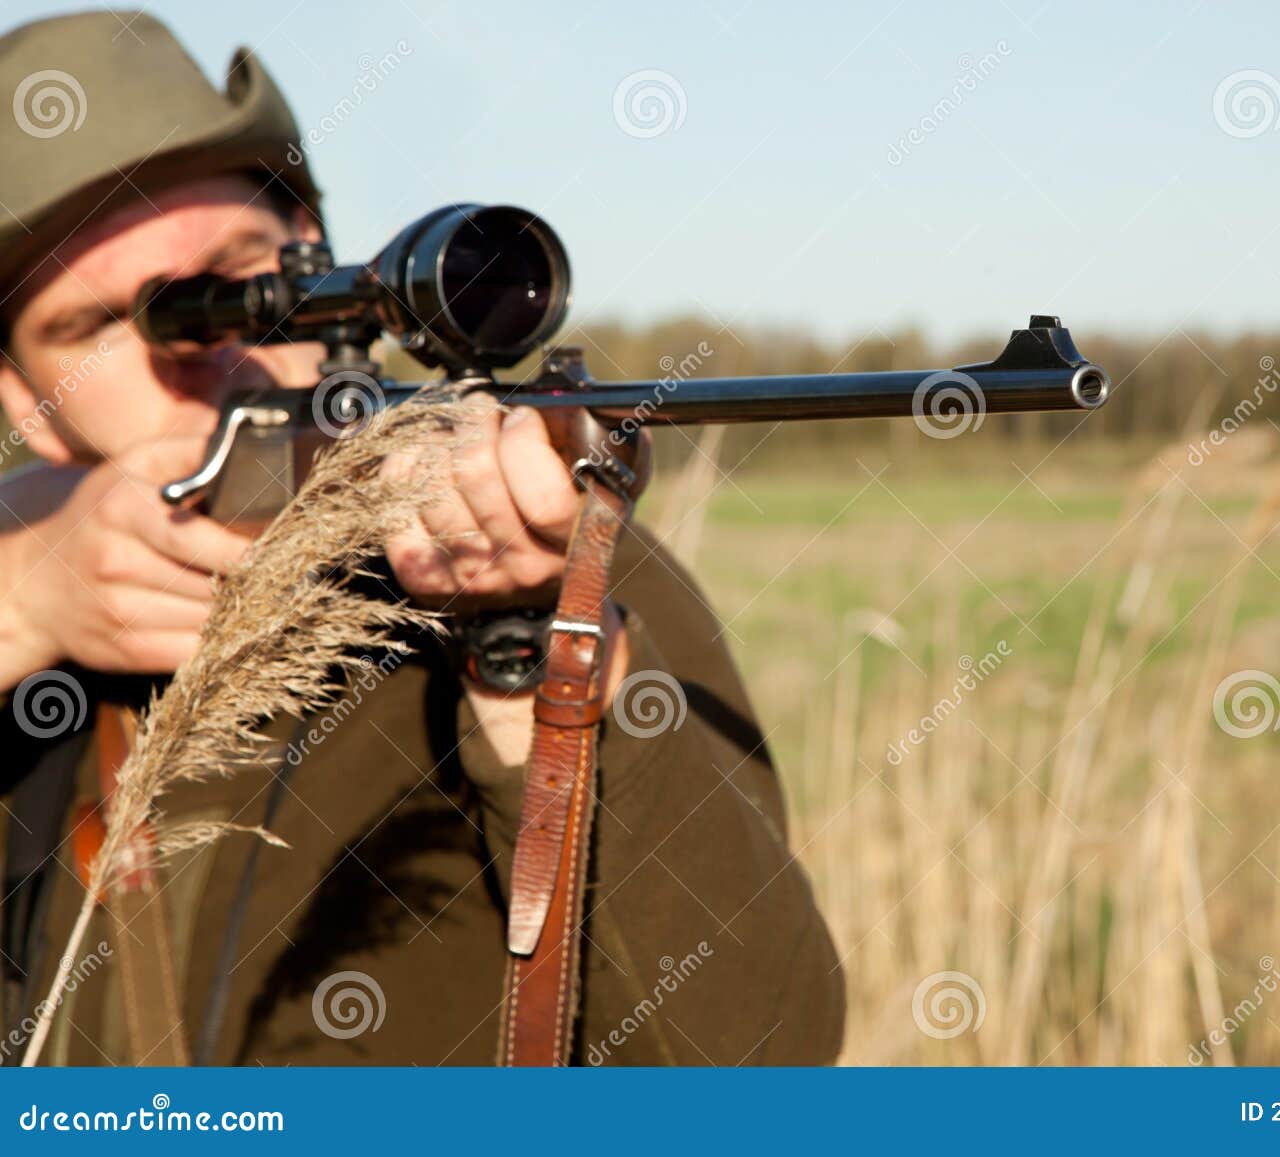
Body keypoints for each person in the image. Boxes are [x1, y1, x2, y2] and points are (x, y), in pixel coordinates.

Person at [0, 9, 843, 1066]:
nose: (206, 344)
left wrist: (535, 645)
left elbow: (761, 1060)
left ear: (314, 261)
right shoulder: (30, 585)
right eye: (96, 324)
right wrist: (24, 604)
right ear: (25, 402)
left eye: (236, 273)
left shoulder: (522, 544)